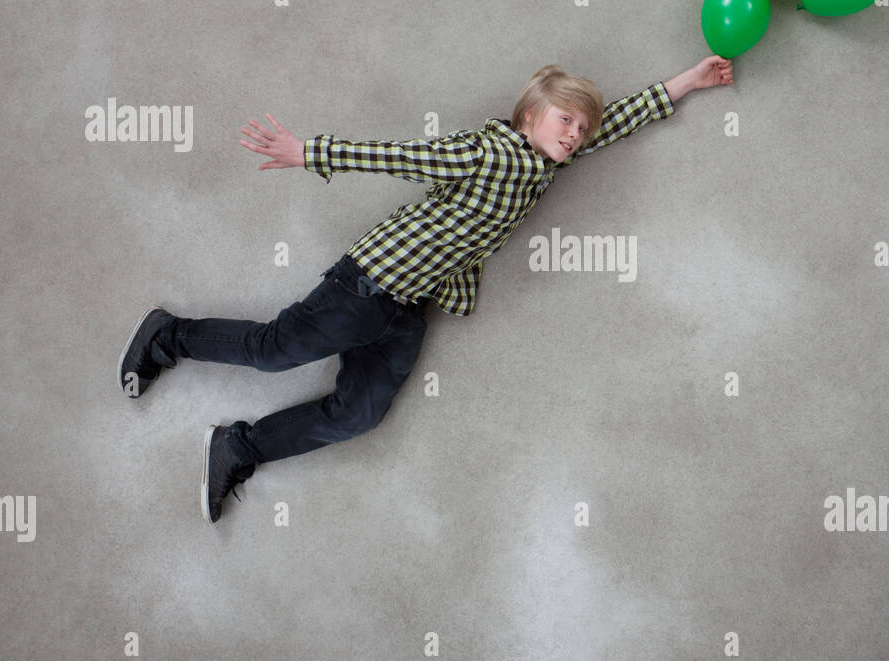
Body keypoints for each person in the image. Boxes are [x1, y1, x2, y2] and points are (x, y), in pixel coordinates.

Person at [118, 55, 734, 524]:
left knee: (357, 414)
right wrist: (310, 152)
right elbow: (409, 155)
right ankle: (166, 337)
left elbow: (613, 124)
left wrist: (686, 81)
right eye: (564, 119)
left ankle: (237, 445)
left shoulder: (549, 162)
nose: (575, 133)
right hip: (367, 285)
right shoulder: (490, 151)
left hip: (408, 309)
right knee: (272, 352)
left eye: (580, 128)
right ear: (529, 117)